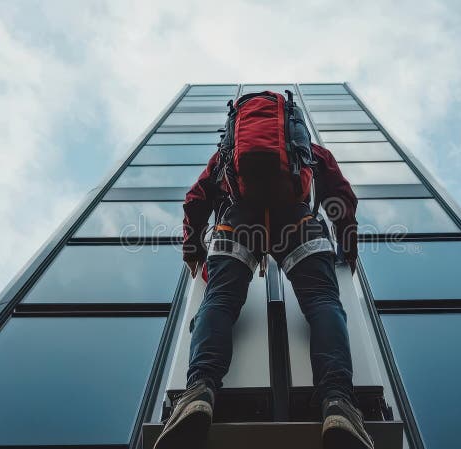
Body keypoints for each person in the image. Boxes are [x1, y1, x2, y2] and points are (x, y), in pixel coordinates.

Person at [152, 136, 374, 449]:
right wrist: (347, 249)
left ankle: (197, 392)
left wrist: (193, 251)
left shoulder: (228, 150)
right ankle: (339, 404)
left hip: (237, 221)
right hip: (299, 221)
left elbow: (195, 198)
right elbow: (342, 195)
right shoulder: (309, 148)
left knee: (219, 300)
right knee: (323, 302)